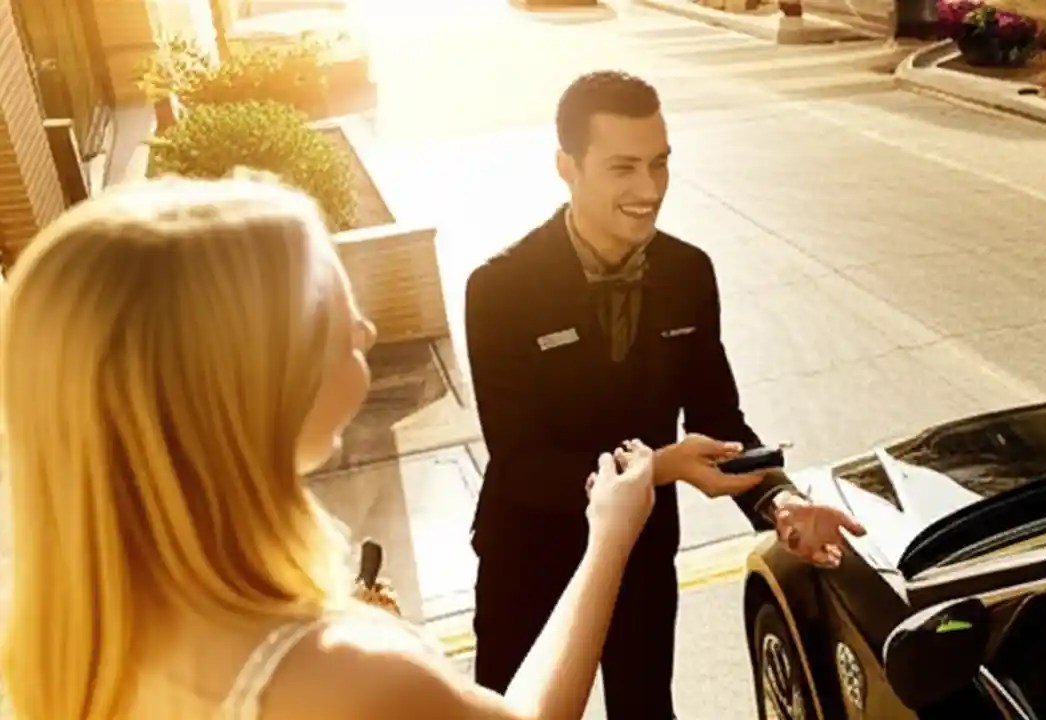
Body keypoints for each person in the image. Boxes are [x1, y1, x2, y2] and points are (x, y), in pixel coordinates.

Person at [0, 173, 664, 720]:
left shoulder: (63, 645)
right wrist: (609, 533)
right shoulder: (353, 680)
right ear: (248, 379)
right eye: (325, 297)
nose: (366, 328)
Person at [464, 70, 865, 719]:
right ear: (567, 166)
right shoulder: (500, 289)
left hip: (643, 558)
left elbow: (719, 416)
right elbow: (521, 463)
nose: (648, 190)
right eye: (622, 168)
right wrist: (661, 466)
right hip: (527, 559)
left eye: (659, 164)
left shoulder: (687, 272)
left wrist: (780, 500)